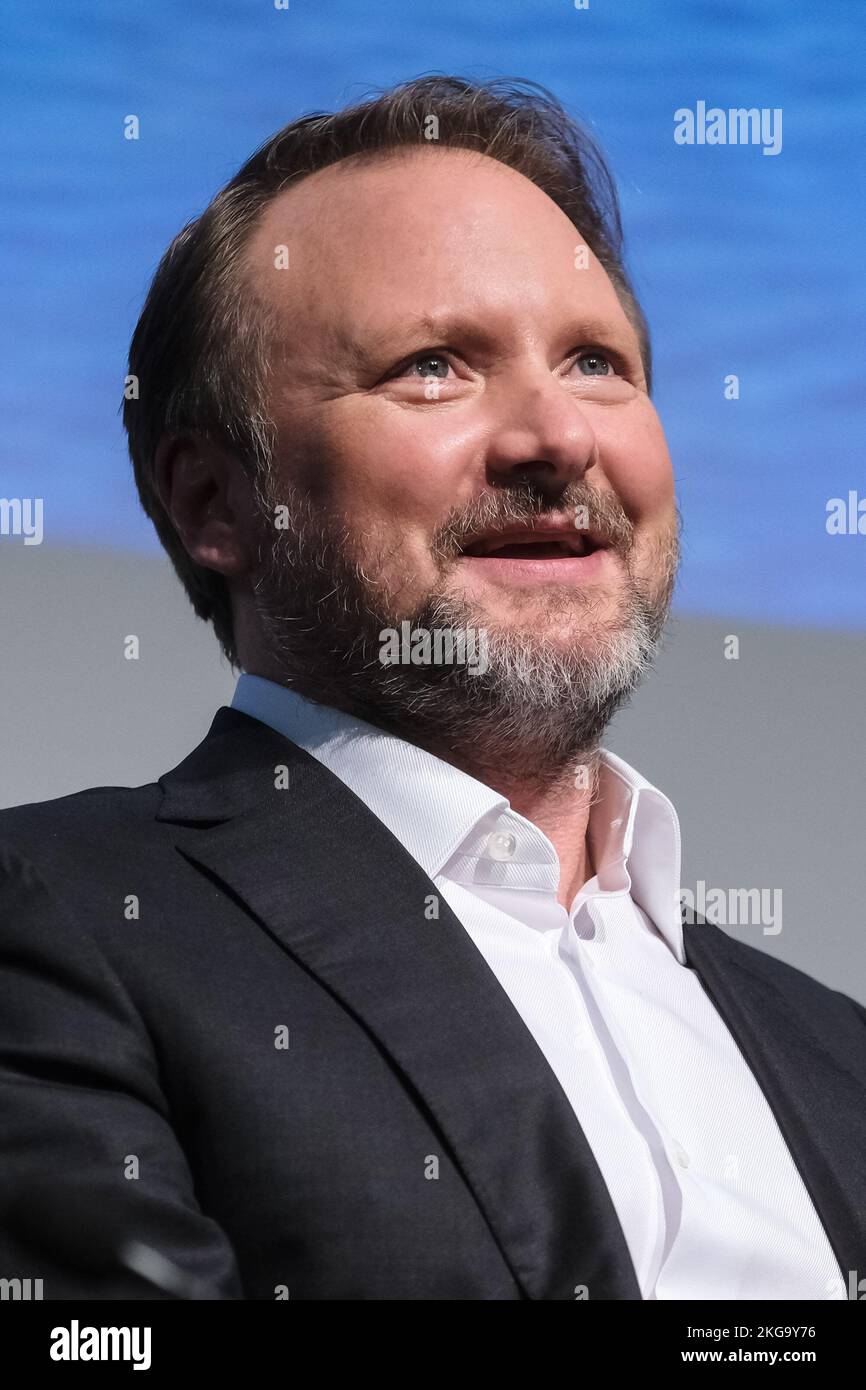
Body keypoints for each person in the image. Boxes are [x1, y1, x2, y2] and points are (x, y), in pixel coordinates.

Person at [1, 75, 863, 1302]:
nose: (556, 436)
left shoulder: (836, 1050)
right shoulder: (62, 924)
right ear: (215, 504)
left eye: (594, 362)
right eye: (432, 367)